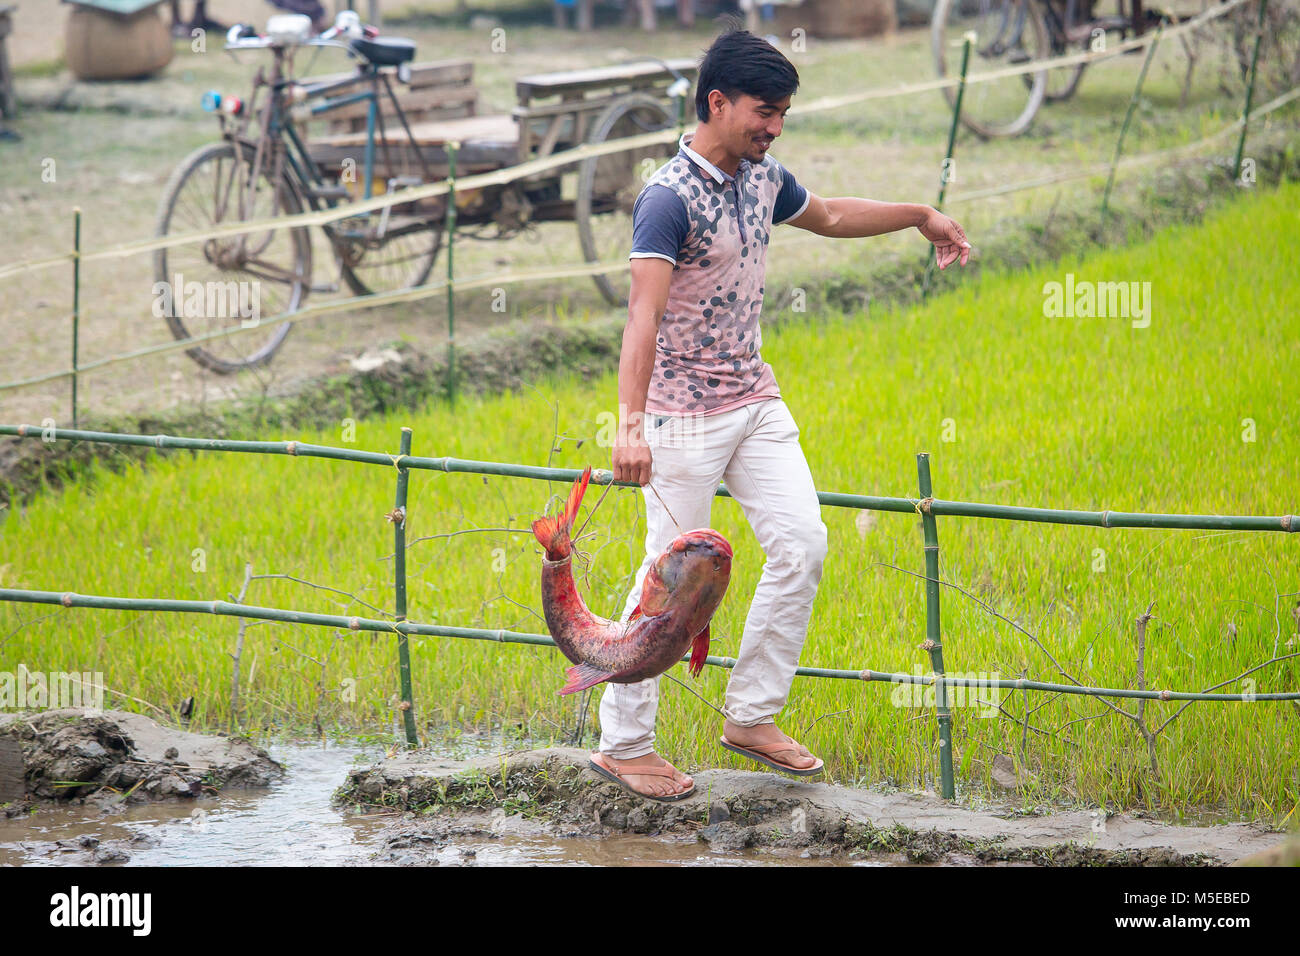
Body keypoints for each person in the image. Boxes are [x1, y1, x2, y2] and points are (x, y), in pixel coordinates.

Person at [590, 28, 972, 800]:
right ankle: (624, 744)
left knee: (803, 543)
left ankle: (750, 715)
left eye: (784, 114)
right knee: (670, 580)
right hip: (682, 420)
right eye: (765, 112)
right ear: (717, 102)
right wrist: (628, 427)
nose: (774, 127)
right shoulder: (668, 197)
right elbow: (641, 316)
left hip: (755, 401)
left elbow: (828, 216)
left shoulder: (760, 177)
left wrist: (919, 214)